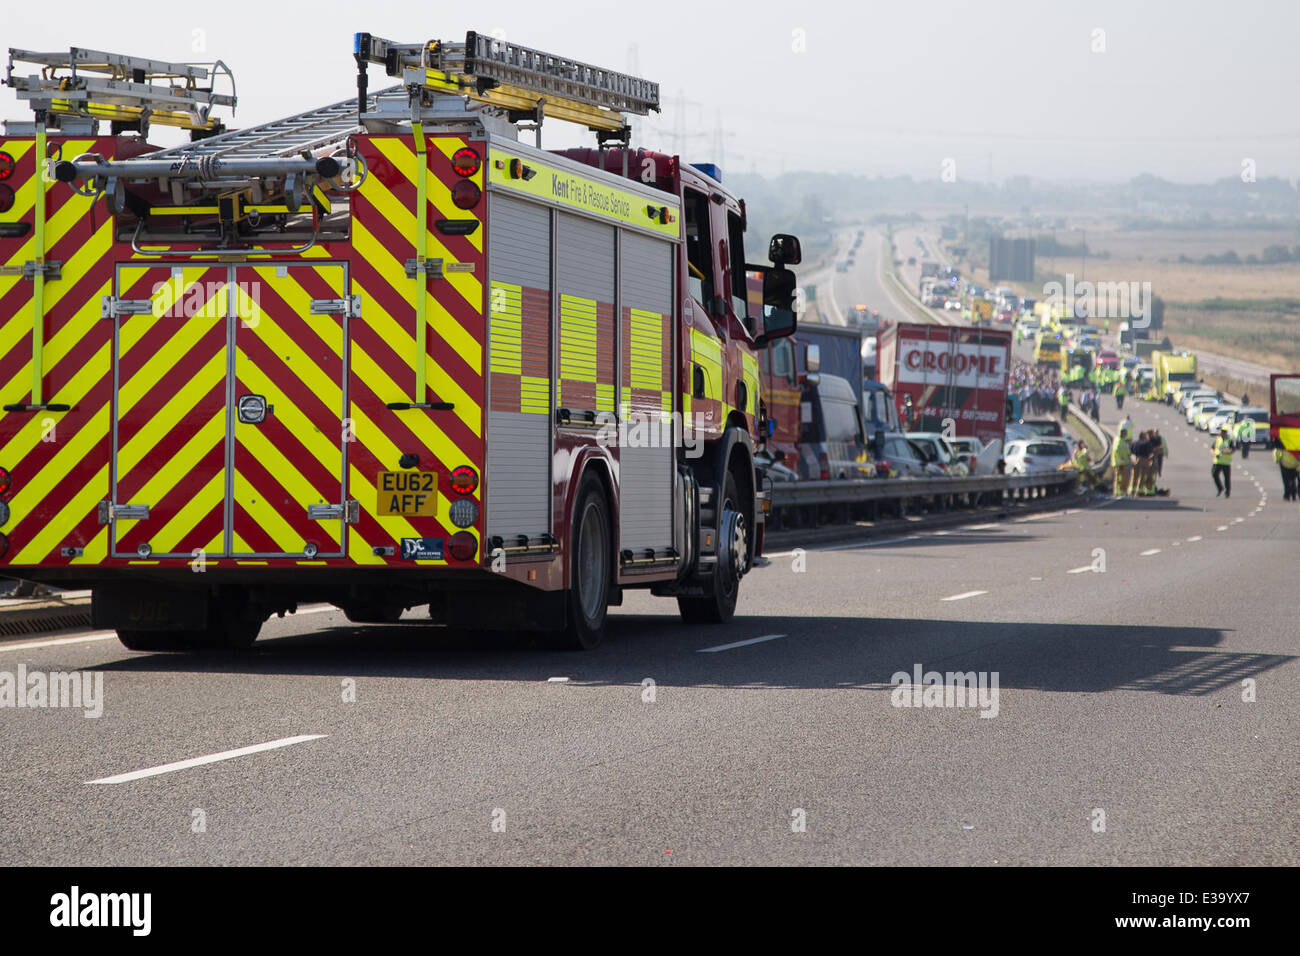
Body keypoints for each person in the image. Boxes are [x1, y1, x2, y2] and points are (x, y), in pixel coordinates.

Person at [1211, 427, 1234, 498]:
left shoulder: (1229, 441)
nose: (1220, 433)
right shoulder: (1218, 440)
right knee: (1214, 474)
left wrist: (1225, 452)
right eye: (1220, 432)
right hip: (1217, 461)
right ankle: (1220, 488)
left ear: (1225, 433)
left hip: (1226, 462)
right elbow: (1212, 448)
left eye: (1222, 432)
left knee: (1227, 478)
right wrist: (1215, 454)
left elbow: (1232, 450)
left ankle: (1227, 492)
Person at [1111, 427, 1132, 497]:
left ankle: (1121, 492)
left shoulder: (1121, 440)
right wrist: (1121, 458)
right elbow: (1117, 450)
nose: (1126, 435)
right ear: (1123, 434)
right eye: (1125, 433)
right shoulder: (1119, 440)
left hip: (1122, 462)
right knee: (1120, 478)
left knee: (1123, 478)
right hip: (1120, 463)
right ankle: (1119, 492)